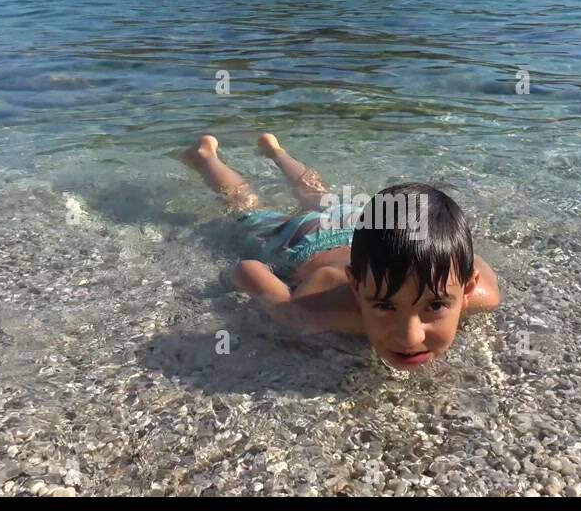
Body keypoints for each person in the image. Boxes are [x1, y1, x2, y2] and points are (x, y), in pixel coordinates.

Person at [179, 133, 501, 369]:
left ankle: (276, 151)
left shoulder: (480, 293)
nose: (409, 337)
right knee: (246, 208)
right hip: (303, 240)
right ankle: (207, 157)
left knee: (319, 194)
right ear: (355, 286)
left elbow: (468, 260)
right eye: (385, 306)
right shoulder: (315, 311)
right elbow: (247, 269)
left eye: (436, 305)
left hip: (359, 225)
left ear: (467, 288)